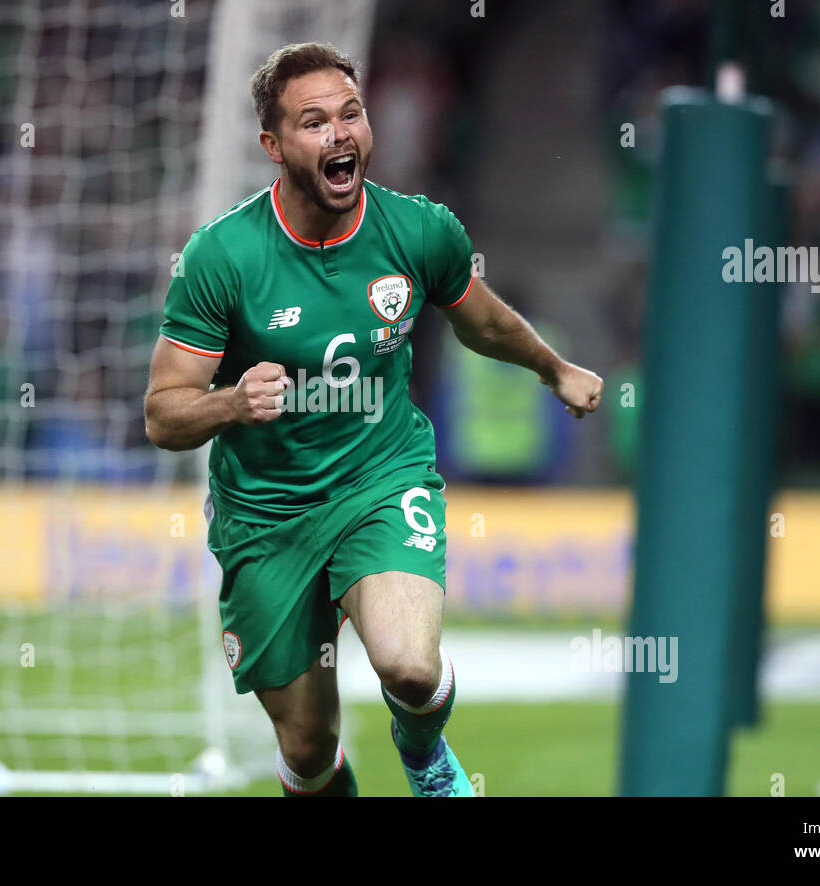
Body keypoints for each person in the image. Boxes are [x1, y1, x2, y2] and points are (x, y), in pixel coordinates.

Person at [144, 42, 602, 796]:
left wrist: (555, 368)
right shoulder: (221, 257)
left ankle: (424, 755)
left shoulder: (419, 231)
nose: (340, 135)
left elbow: (480, 323)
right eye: (314, 122)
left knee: (410, 666)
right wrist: (230, 402)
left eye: (350, 114)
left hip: (379, 483)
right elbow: (163, 414)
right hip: (265, 516)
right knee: (307, 749)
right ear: (274, 146)